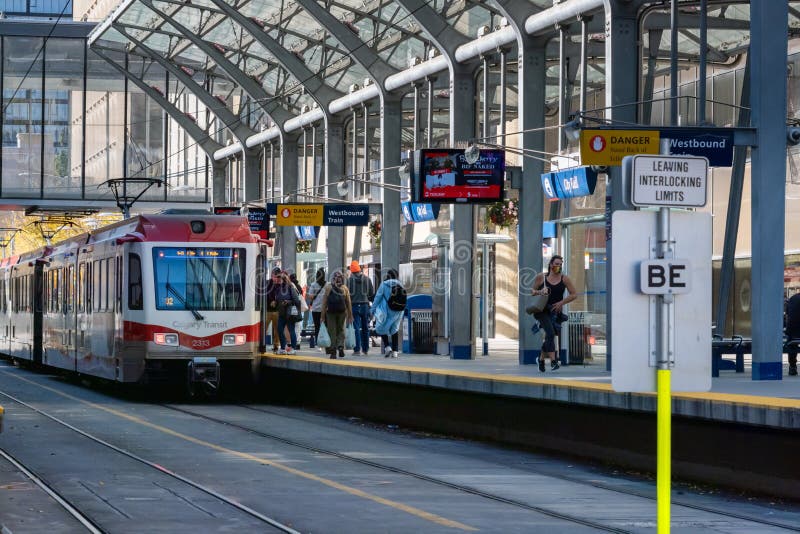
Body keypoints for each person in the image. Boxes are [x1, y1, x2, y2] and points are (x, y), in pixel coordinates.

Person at [531, 255, 577, 372]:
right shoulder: (541, 277)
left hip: (555, 311)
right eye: (557, 264)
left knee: (549, 336)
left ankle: (541, 359)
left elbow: (574, 294)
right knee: (551, 334)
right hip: (541, 310)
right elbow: (531, 291)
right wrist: (540, 291)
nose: (559, 266)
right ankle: (553, 361)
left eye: (561, 264)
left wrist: (561, 303)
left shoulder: (564, 279)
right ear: (551, 265)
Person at [371, 268, 405, 358]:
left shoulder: (384, 285)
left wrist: (372, 310)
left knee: (381, 327)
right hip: (398, 311)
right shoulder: (400, 285)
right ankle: (395, 351)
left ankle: (387, 347)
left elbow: (377, 298)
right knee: (394, 329)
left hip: (386, 310)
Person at [321, 270, 353, 359]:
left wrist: (322, 316)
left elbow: (324, 302)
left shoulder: (328, 287)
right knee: (341, 329)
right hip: (342, 312)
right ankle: (341, 346)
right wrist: (350, 315)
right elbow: (348, 302)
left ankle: (333, 351)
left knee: (332, 331)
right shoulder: (344, 288)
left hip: (330, 313)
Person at [347, 260, 375, 356]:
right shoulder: (367, 279)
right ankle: (365, 349)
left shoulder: (349, 280)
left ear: (351, 270)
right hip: (365, 306)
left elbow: (347, 295)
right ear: (359, 269)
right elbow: (371, 294)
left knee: (356, 328)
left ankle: (357, 350)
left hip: (354, 306)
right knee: (365, 328)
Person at [275, 271, 302, 355]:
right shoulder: (279, 289)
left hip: (290, 314)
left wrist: (288, 302)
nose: (277, 281)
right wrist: (275, 303)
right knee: (279, 330)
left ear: (283, 280)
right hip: (282, 313)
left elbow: (296, 300)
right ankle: (283, 348)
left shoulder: (290, 287)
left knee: (291, 330)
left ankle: (293, 348)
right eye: (277, 279)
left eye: (279, 279)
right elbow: (278, 299)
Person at [306, 268, 326, 349]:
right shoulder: (327, 284)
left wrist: (312, 296)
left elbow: (310, 296)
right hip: (324, 309)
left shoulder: (314, 285)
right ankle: (325, 342)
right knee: (325, 326)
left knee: (317, 326)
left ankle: (318, 344)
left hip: (316, 309)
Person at [265, 267, 281, 353]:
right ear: (272, 275)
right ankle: (261, 344)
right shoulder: (267, 283)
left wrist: (276, 301)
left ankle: (276, 346)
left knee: (277, 330)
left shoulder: (281, 284)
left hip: (277, 311)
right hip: (267, 310)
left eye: (278, 276)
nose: (277, 278)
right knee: (263, 328)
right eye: (275, 276)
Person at [288, 272, 304, 350]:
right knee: (297, 325)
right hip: (298, 308)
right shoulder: (299, 286)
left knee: (292, 326)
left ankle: (292, 342)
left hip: (292, 308)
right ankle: (297, 342)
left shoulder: (291, 286)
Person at [786, 293, 800, 376]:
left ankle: (792, 366)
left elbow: (788, 316)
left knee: (791, 343)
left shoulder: (793, 298)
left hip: (792, 331)